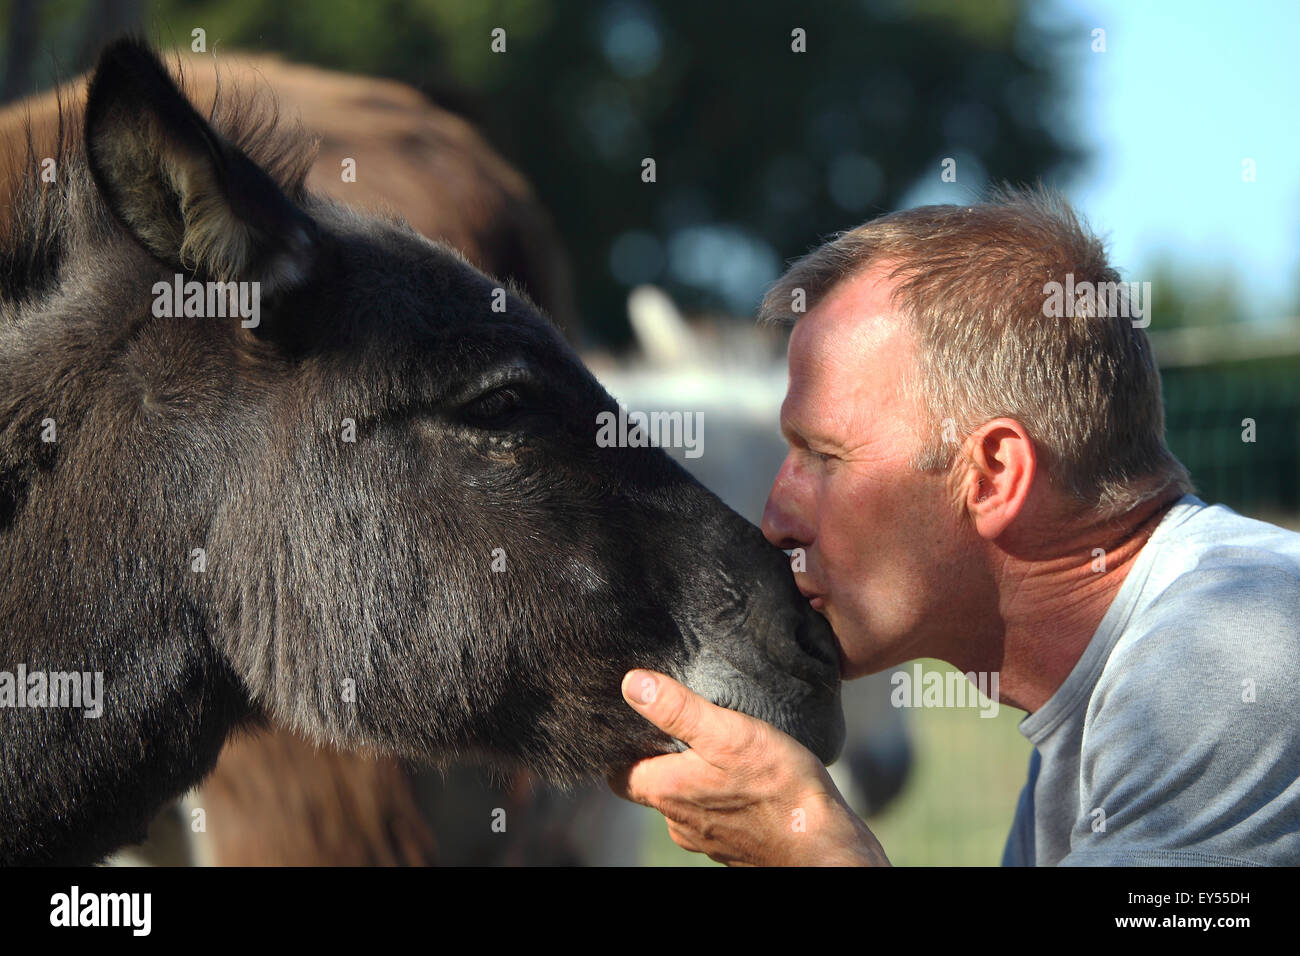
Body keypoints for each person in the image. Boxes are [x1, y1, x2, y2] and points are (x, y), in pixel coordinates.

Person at [609, 187, 1300, 866]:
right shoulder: (1102, 711)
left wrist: (812, 853)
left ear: (994, 475)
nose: (776, 518)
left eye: (825, 457)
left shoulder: (1229, 654)